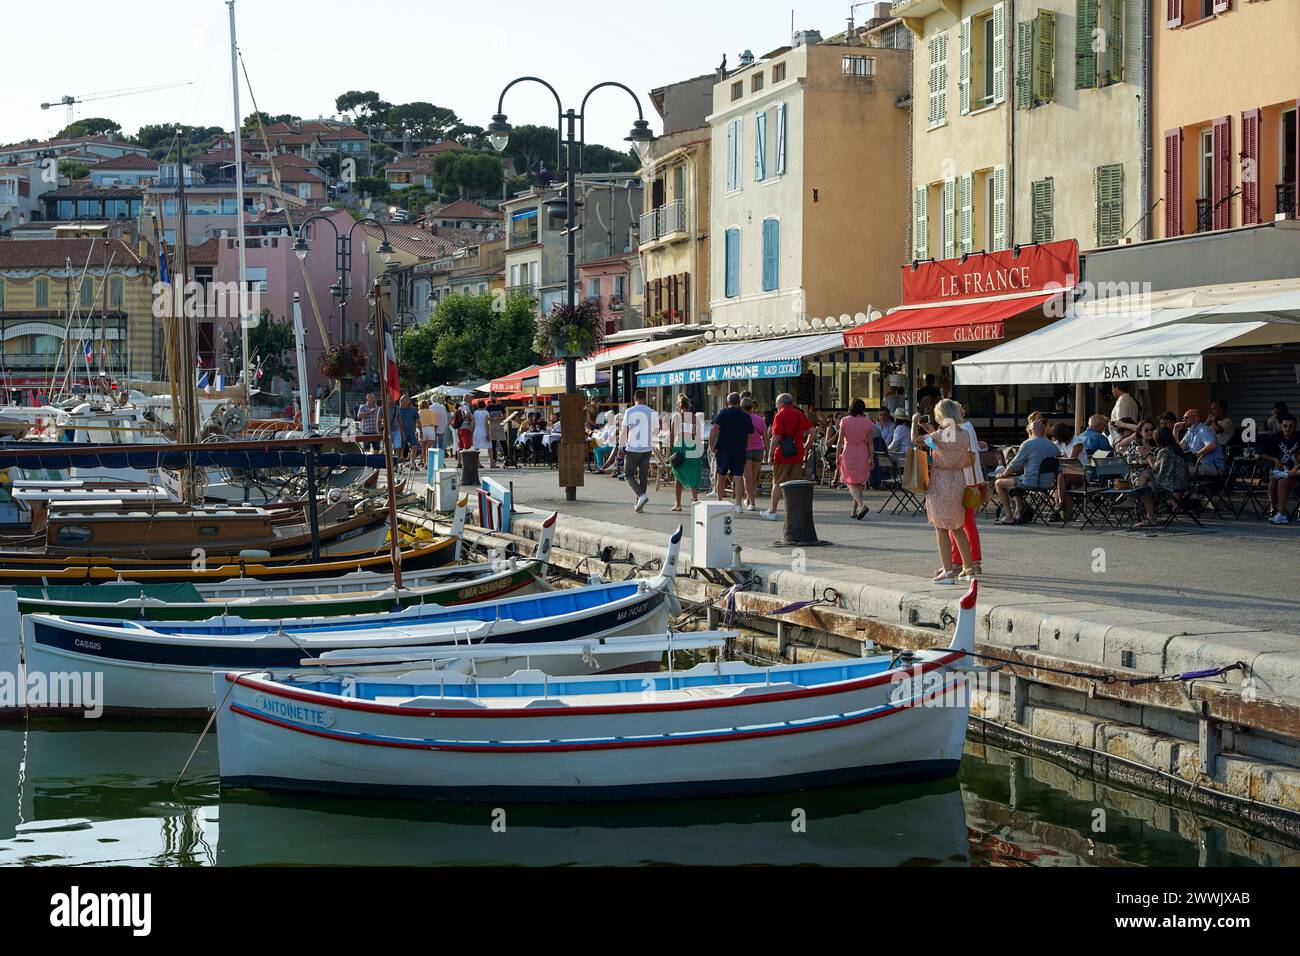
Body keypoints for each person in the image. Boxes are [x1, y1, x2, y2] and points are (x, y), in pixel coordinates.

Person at [917, 400, 976, 584]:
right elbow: (945, 447)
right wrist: (932, 432)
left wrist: (914, 423)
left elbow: (916, 441)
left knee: (940, 527)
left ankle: (948, 571)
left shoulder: (940, 434)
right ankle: (968, 569)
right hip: (958, 479)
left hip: (941, 480)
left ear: (941, 415)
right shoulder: (964, 434)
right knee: (958, 528)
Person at [994, 419, 1059, 525]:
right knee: (1017, 481)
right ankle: (1018, 512)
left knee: (999, 483)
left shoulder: (1028, 444)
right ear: (1043, 431)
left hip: (1031, 482)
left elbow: (1014, 465)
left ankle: (1008, 516)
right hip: (1048, 483)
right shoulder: (1053, 446)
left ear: (1030, 431)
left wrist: (1003, 474)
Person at [760, 393, 812, 521]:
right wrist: (806, 446)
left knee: (777, 482)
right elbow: (813, 432)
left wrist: (770, 453)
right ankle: (794, 513)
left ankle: (772, 511)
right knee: (795, 484)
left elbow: (776, 437)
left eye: (777, 403)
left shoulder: (779, 415)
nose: (776, 406)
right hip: (798, 453)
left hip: (782, 454)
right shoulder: (800, 415)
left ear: (781, 403)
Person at [1130, 426, 1193, 530]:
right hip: (1183, 482)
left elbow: (1157, 470)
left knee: (1146, 487)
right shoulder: (1176, 449)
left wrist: (1147, 455)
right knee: (1146, 482)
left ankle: (1143, 506)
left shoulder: (1165, 451)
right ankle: (1144, 505)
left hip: (1175, 484)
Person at [1059, 414, 1112, 520]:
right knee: (1114, 473)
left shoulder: (1079, 436)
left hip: (1078, 472)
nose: (1104, 429)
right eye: (1103, 426)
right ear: (1098, 425)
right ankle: (1110, 501)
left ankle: (1062, 506)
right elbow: (1110, 455)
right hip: (1092, 473)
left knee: (1062, 478)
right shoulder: (1099, 437)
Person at [709, 392, 754, 514]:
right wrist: (745, 446)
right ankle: (738, 505)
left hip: (723, 449)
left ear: (728, 402)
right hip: (739, 450)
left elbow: (714, 429)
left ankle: (720, 501)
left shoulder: (723, 413)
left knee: (721, 474)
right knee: (738, 477)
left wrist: (711, 444)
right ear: (739, 402)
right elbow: (750, 435)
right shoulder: (746, 416)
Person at [836, 398, 874, 520]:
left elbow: (840, 441)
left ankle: (862, 505)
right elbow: (870, 444)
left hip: (849, 452)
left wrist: (837, 455)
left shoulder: (845, 421)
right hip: (862, 452)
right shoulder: (867, 422)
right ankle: (854, 510)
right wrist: (872, 458)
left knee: (849, 481)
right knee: (858, 483)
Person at [620, 390, 656, 513]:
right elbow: (656, 432)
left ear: (633, 399)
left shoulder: (629, 411)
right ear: (645, 399)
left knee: (628, 474)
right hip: (647, 448)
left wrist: (621, 446)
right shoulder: (652, 412)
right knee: (643, 477)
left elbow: (624, 431)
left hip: (633, 448)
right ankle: (640, 504)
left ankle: (641, 496)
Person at [1259, 414, 1299, 524]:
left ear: (1295, 427)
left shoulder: (1299, 438)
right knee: (1274, 480)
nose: (1288, 429)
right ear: (1281, 426)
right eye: (1285, 426)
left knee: (1282, 480)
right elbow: (1261, 454)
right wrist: (1275, 459)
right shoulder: (1276, 438)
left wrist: (1294, 468)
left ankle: (1281, 513)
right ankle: (1277, 510)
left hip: (1297, 474)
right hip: (1284, 472)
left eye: (1291, 426)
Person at [667, 394, 702, 512]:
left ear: (678, 406)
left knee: (678, 474)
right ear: (689, 405)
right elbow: (697, 436)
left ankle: (678, 504)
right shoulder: (695, 418)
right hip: (691, 446)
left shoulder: (676, 417)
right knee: (692, 473)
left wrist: (670, 449)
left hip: (679, 447)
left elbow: (672, 435)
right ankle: (695, 499)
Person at [1178, 408, 1224, 476]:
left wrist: (1196, 455)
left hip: (1212, 466)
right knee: (1177, 467)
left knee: (1181, 470)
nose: (1183, 420)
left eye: (1186, 417)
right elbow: (1178, 449)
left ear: (1196, 418)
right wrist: (1175, 430)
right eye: (1183, 418)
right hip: (1199, 465)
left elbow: (1212, 445)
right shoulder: (1189, 432)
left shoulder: (1203, 429)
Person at [742, 395, 768, 511]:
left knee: (747, 477)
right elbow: (766, 437)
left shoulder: (741, 419)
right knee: (753, 477)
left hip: (745, 449)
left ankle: (751, 502)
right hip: (758, 450)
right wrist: (767, 452)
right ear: (752, 407)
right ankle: (749, 499)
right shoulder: (760, 419)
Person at [391, 394, 421, 465]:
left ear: (408, 402)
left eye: (405, 401)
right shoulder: (397, 409)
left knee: (414, 446)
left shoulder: (413, 410)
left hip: (411, 432)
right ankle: (399, 464)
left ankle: (412, 462)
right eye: (402, 401)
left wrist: (421, 431)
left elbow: (418, 421)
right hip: (400, 432)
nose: (402, 402)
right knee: (401, 448)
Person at [417, 399, 438, 467]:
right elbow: (435, 425)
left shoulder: (418, 412)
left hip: (422, 429)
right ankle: (429, 464)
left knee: (423, 449)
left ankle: (425, 463)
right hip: (430, 429)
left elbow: (417, 424)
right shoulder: (432, 412)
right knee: (429, 448)